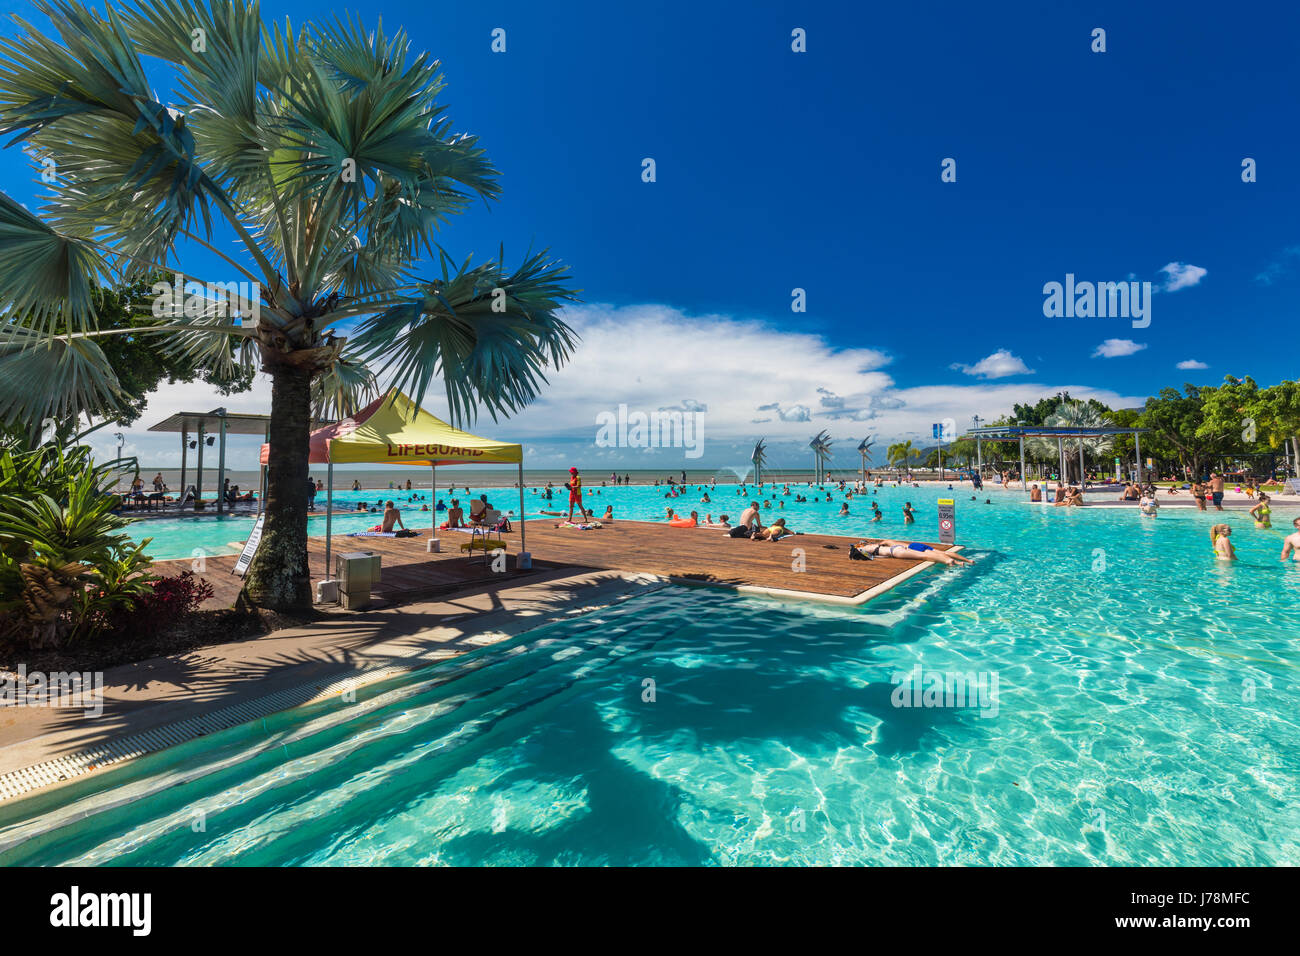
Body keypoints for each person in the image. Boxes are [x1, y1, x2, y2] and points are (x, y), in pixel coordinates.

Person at [853, 539, 973, 566]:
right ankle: (953, 560)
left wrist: (854, 552)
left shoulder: (865, 549)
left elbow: (870, 557)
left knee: (924, 556)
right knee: (926, 554)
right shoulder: (873, 545)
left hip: (895, 552)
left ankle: (948, 561)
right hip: (900, 547)